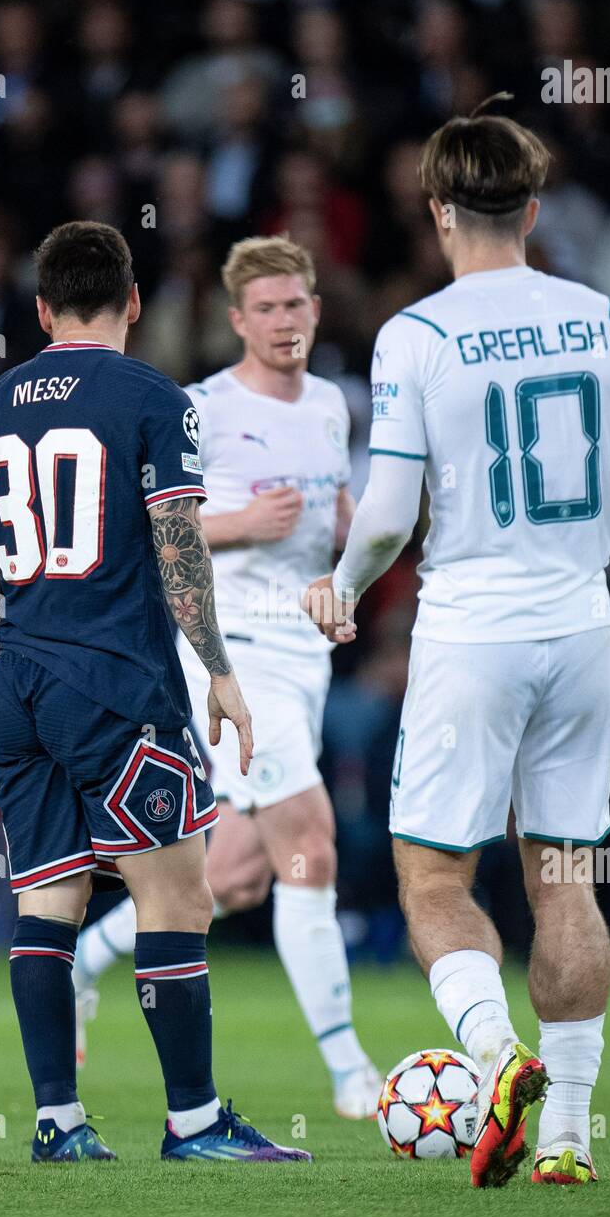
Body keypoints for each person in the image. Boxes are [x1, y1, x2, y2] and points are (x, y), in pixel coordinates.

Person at [305, 97, 610, 1187]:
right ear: (535, 209)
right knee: (562, 876)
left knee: (431, 878)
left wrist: (344, 584)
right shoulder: (607, 321)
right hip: (579, 627)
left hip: (469, 628)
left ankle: (497, 1060)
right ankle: (566, 1140)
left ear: (437, 211)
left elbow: (390, 506)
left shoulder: (414, 334)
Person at [0, 219, 310, 1164]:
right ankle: (192, 1120)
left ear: (40, 309)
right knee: (176, 898)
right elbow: (177, 544)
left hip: (22, 684)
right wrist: (221, 673)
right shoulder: (155, 398)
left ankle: (57, 1122)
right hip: (117, 682)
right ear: (134, 302)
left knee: (46, 904)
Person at [73, 235, 382, 1119]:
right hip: (231, 655)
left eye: (298, 305)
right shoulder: (197, 407)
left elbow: (338, 515)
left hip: (306, 657)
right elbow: (144, 526)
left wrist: (347, 581)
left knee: (238, 875)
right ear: (239, 320)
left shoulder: (331, 405)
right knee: (312, 845)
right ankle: (350, 1071)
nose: (286, 321)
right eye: (268, 309)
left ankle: (80, 967)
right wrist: (242, 523)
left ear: (316, 311)